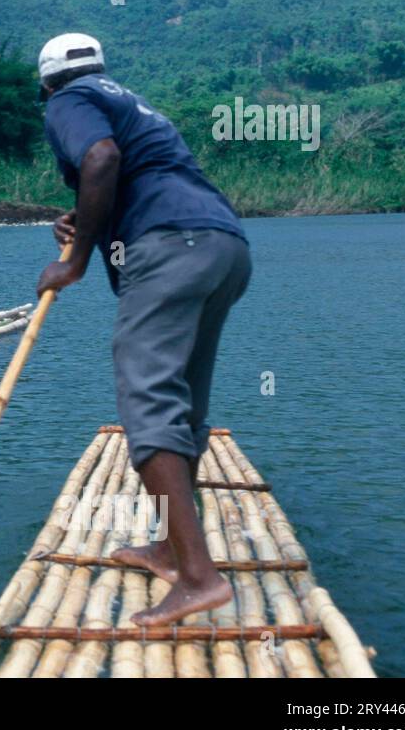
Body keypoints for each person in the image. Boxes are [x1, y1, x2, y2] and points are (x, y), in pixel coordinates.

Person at [33, 33, 251, 627]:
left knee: (149, 408)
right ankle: (171, 549)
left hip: (171, 249)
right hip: (223, 245)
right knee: (184, 408)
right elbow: (129, 174)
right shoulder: (129, 100)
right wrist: (87, 222)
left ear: (47, 83)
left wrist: (74, 261)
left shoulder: (66, 99)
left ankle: (199, 579)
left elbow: (100, 159)